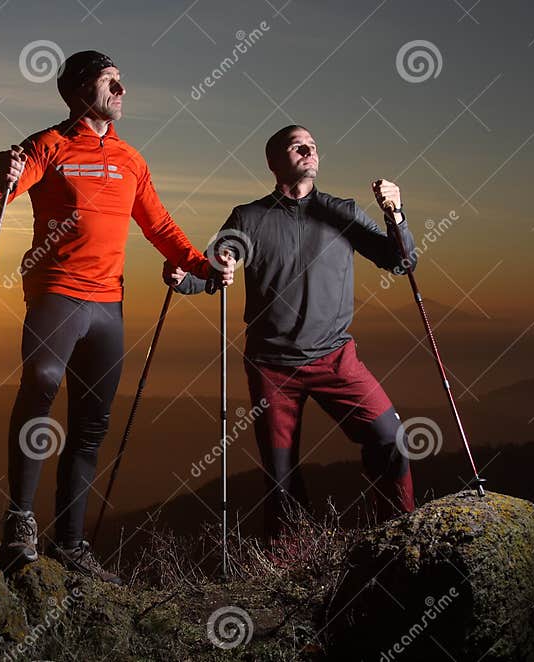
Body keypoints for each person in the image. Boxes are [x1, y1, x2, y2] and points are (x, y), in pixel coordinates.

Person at [0, 50, 234, 583]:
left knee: (92, 423)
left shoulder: (131, 160)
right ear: (78, 91)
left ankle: (69, 544)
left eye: (122, 81)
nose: (121, 90)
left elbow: (160, 226)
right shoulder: (47, 145)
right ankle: (19, 521)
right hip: (56, 294)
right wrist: (1, 174)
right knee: (42, 382)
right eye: (109, 81)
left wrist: (203, 267)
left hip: (107, 306)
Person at [163, 124, 417, 544]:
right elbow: (211, 272)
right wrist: (180, 277)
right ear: (275, 161)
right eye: (298, 146)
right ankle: (287, 564)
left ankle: (400, 539)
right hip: (271, 364)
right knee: (280, 474)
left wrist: (397, 214)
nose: (309, 150)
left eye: (313, 145)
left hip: (336, 357)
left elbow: (401, 262)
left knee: (390, 437)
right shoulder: (248, 217)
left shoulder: (343, 211)